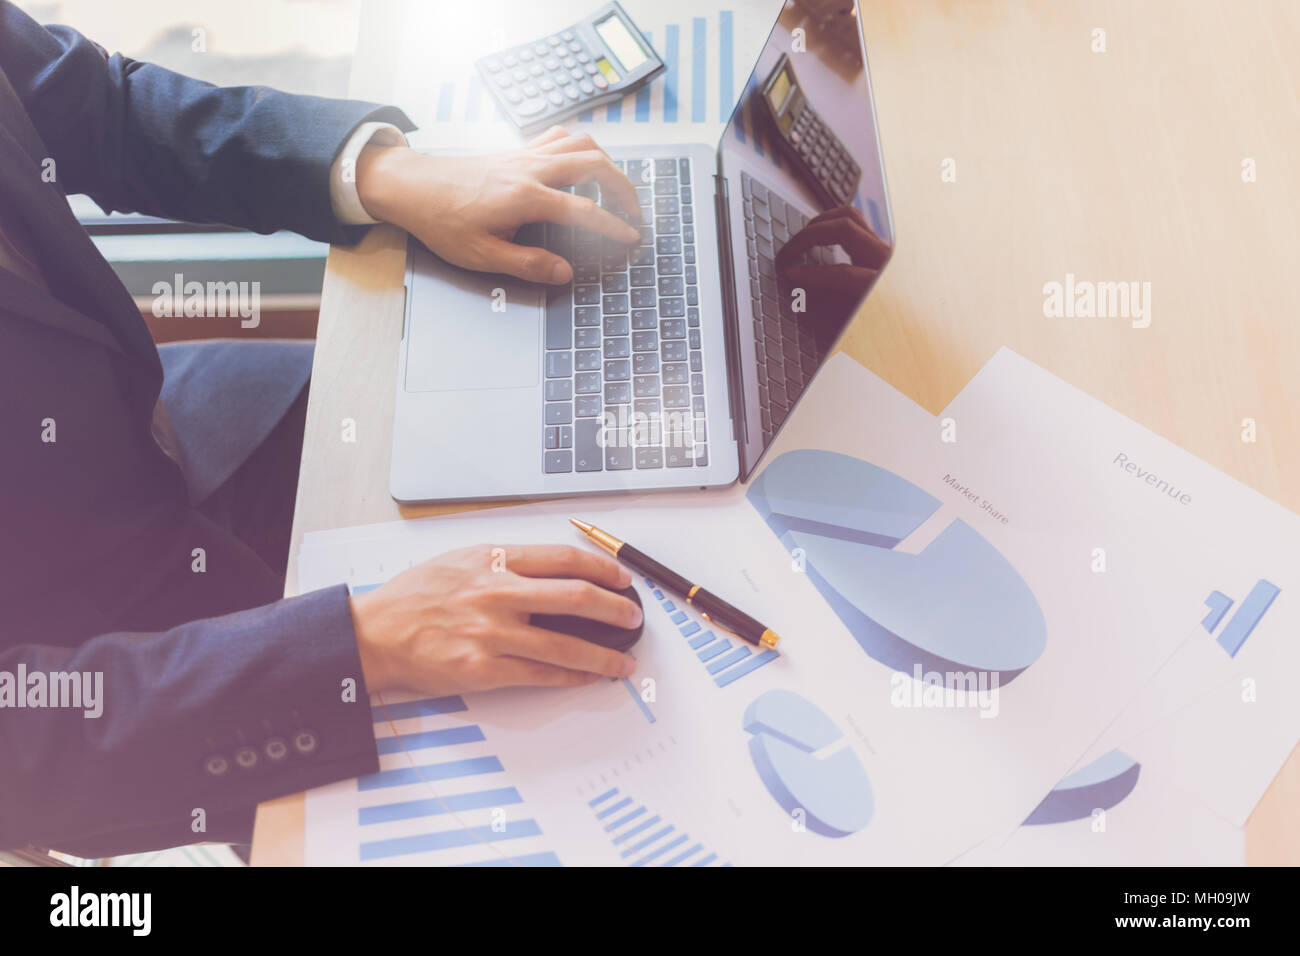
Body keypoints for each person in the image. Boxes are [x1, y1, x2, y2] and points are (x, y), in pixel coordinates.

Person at [0, 0, 644, 858]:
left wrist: (384, 174)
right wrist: (362, 644)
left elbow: (97, 104)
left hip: (144, 432)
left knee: (508, 408)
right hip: (104, 674)